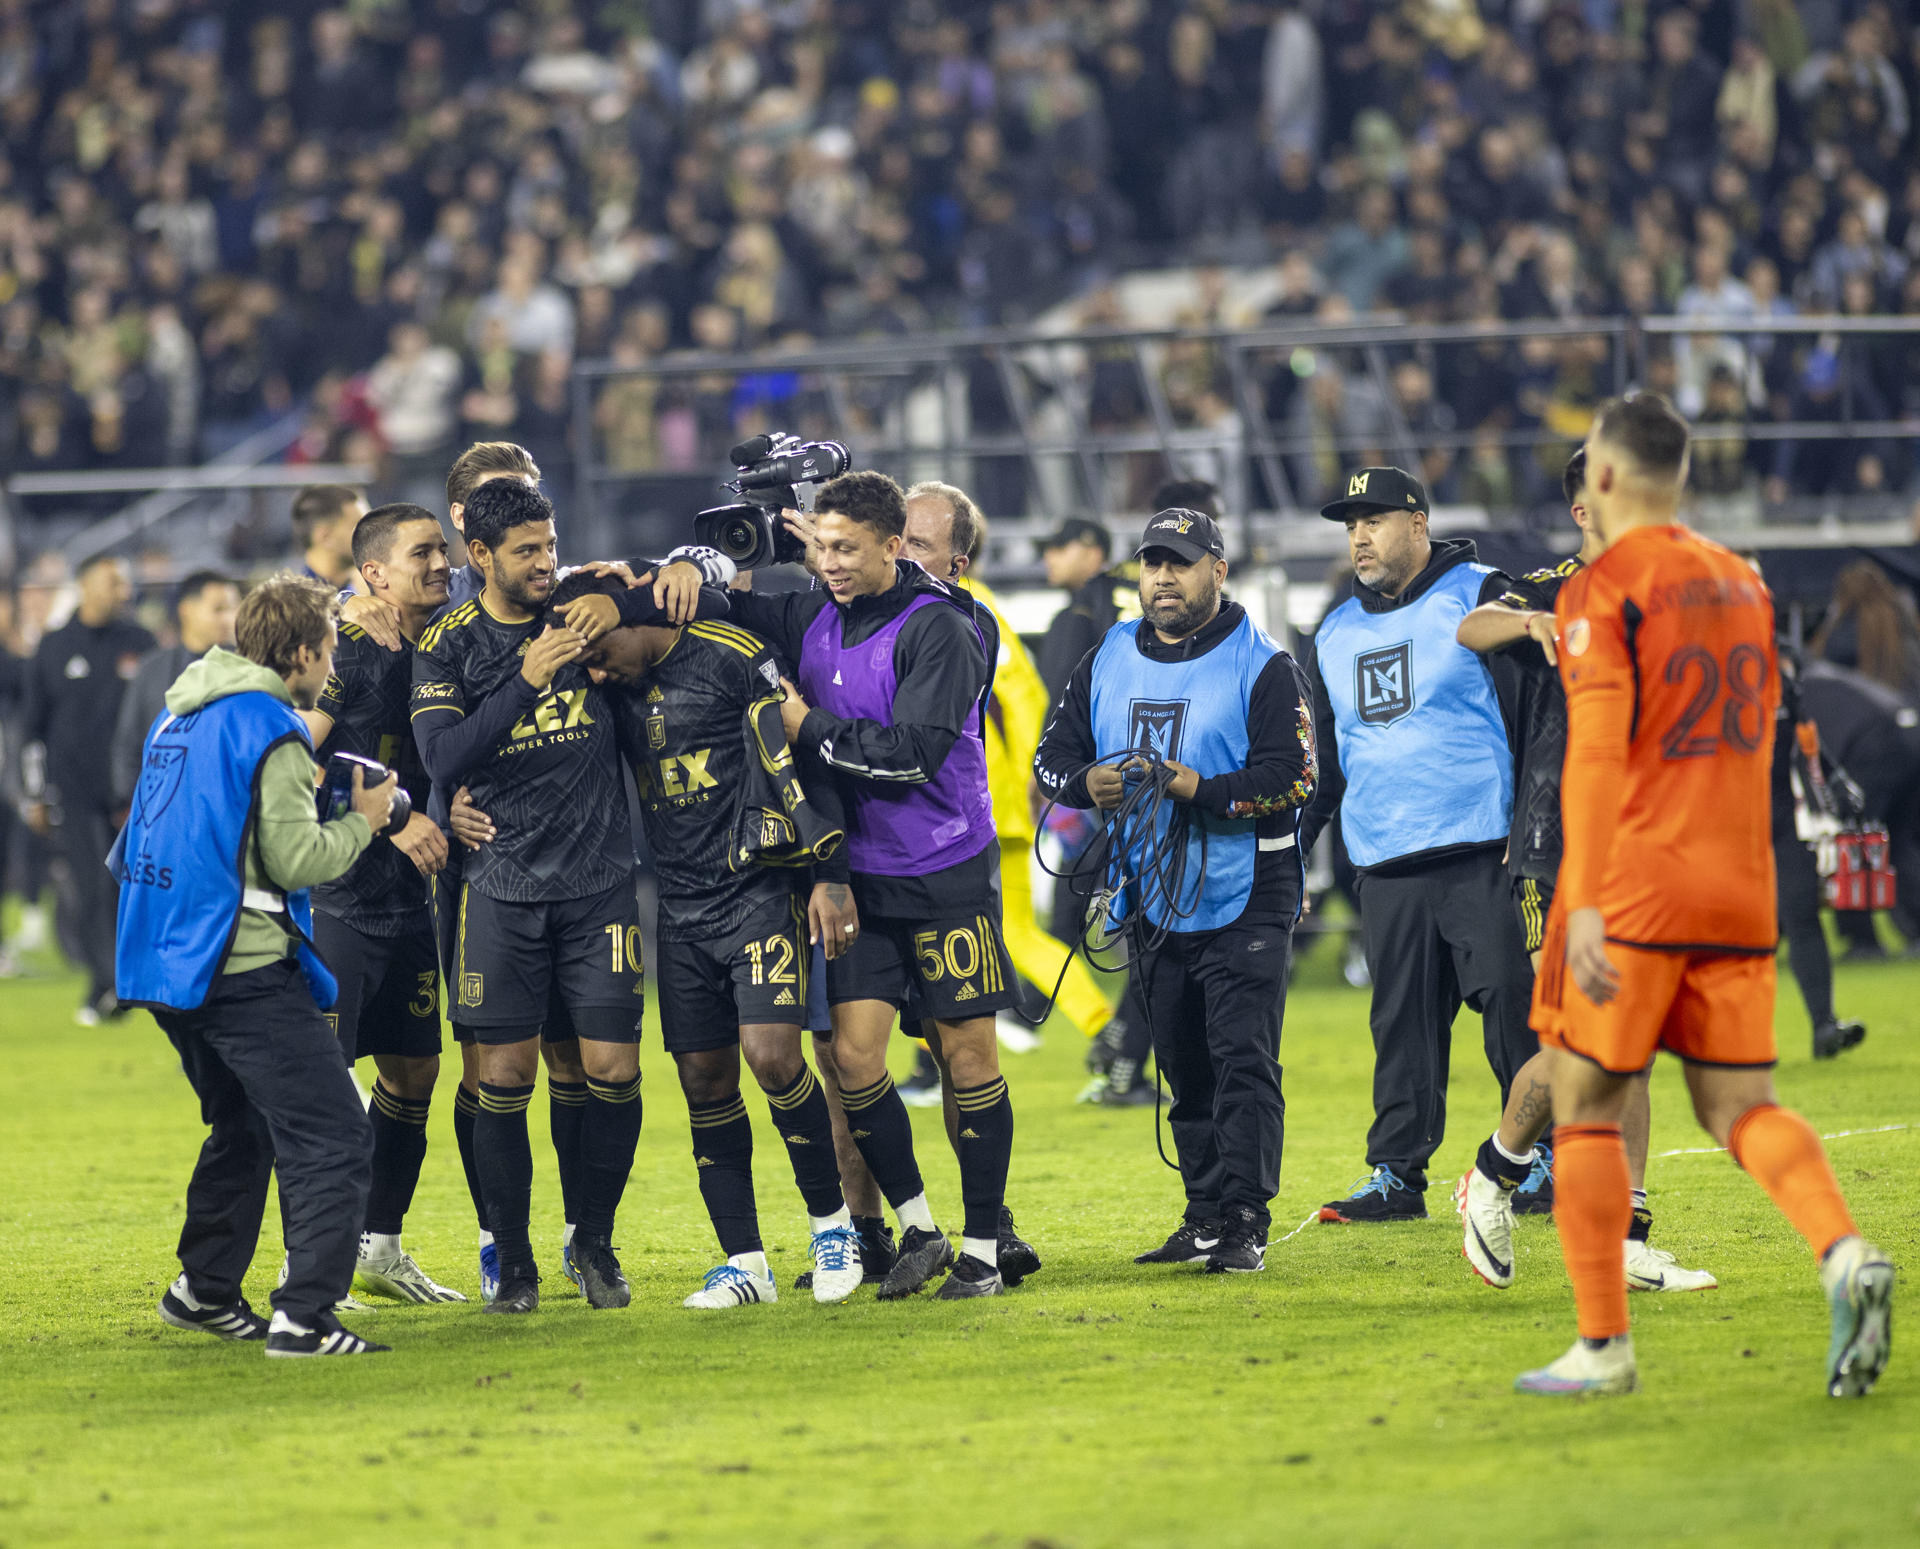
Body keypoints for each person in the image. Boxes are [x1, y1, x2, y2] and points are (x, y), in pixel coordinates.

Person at [1518, 392, 1892, 1398]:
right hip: (1738, 887)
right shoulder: (1745, 581)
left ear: (1601, 476)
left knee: (1587, 1101)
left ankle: (1605, 1346)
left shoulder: (1600, 589)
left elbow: (1595, 752)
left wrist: (1586, 898)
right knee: (1740, 1106)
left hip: (1636, 884)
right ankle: (1844, 1254)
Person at [483, 569, 863, 1308]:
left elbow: (801, 755)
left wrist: (829, 870)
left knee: (774, 1057)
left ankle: (832, 1227)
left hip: (757, 889)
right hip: (680, 907)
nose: (593, 674)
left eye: (598, 654)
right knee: (703, 1081)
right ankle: (746, 1261)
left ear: (624, 617)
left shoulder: (730, 652)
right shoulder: (610, 685)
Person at [717, 470, 1019, 1300]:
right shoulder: (814, 609)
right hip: (862, 881)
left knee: (967, 1057)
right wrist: (695, 564)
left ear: (894, 546)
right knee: (853, 1061)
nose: (831, 564)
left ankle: (987, 1250)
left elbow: (909, 756)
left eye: (846, 548)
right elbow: (724, 609)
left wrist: (804, 726)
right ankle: (920, 1224)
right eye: (818, 548)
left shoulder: (945, 629)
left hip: (947, 871)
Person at [1452, 449, 1718, 1294]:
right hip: (1555, 845)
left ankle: (1627, 1231)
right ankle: (1492, 1180)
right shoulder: (1552, 585)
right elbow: (1472, 626)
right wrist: (1532, 626)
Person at [115, 573, 400, 1357]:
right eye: (330, 648)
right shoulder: (270, 725)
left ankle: (203, 1289)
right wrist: (366, 822)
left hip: (163, 961)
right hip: (237, 963)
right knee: (335, 1134)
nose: (331, 661)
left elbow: (136, 845)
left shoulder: (179, 715)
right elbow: (295, 858)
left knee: (243, 1123)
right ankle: (305, 1317)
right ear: (304, 651)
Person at [1034, 507, 1317, 1273]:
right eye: (1153, 562)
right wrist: (1084, 782)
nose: (1163, 576)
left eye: (1181, 562)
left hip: (1248, 888)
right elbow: (1049, 760)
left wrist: (1201, 787)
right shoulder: (1108, 654)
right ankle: (1201, 1213)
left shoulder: (1265, 664)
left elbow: (1296, 777)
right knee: (1184, 1063)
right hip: (1149, 888)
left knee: (1242, 1057)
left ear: (1217, 572)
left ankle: (1246, 1218)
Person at [408, 478, 651, 1314]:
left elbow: (673, 588)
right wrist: (524, 679)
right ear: (480, 556)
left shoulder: (583, 605)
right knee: (503, 1078)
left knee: (613, 1069)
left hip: (599, 886)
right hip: (500, 890)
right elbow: (442, 759)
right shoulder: (449, 644)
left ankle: (594, 1237)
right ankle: (512, 1262)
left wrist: (635, 588)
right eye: (527, 552)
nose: (545, 563)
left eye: (550, 546)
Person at [1299, 466, 1540, 1225]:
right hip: (1385, 862)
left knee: (1512, 1007)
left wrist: (1537, 835)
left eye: (1375, 518)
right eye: (1350, 524)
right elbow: (1328, 763)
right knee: (1398, 1024)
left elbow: (1534, 719)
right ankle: (1395, 1176)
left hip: (1483, 850)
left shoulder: (1480, 592)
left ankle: (1541, 1158)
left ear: (1418, 521)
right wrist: (1295, 850)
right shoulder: (1332, 630)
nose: (1360, 535)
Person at [300, 503, 465, 1304]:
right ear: (373, 573)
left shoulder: (447, 636)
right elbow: (291, 752)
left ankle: (379, 1245)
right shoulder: (352, 646)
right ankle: (314, 1271)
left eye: (443, 548)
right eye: (422, 552)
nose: (441, 562)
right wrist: (394, 814)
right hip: (335, 896)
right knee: (326, 1089)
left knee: (414, 1072)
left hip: (407, 902)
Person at [904, 481, 1113, 1058]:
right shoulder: (945, 605)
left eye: (918, 540)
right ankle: (932, 1060)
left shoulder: (968, 606)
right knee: (989, 932)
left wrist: (1032, 777)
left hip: (981, 796)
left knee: (980, 931)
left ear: (957, 551)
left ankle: (1105, 1029)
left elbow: (1022, 697)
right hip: (969, 795)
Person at [22, 553, 156, 1023]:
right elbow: (32, 726)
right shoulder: (56, 646)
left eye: (123, 583)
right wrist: (33, 794)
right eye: (111, 582)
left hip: (136, 792)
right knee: (90, 886)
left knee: (128, 889)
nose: (122, 591)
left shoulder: (141, 642)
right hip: (74, 791)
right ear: (84, 586)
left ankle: (116, 983)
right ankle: (109, 983)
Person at [110, 571, 240, 812]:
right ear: (186, 609)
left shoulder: (250, 668)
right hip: (165, 808)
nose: (229, 618)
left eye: (233, 608)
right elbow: (129, 742)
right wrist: (130, 802)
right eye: (218, 609)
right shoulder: (152, 669)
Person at [1035, 516, 1119, 702]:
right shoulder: (1072, 613)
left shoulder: (1110, 616)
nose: (1048, 557)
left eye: (1060, 548)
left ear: (1093, 554)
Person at [291, 484, 369, 591]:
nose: (369, 534)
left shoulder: (364, 590)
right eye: (358, 527)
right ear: (326, 537)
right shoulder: (296, 604)